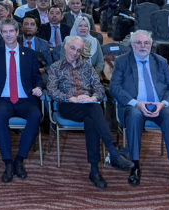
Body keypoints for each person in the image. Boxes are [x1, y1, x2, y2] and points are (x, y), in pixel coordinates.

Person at [47, 36, 133, 188]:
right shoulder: (55, 67)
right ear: (66, 46)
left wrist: (92, 96)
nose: (74, 52)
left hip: (87, 105)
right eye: (72, 48)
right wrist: (71, 98)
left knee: (92, 117)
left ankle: (95, 171)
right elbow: (52, 91)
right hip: (68, 106)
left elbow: (99, 88)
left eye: (78, 50)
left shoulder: (87, 67)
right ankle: (113, 150)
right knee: (94, 109)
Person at [110, 30, 169, 186]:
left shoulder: (161, 61)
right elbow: (114, 88)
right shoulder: (122, 61)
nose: (142, 46)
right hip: (135, 105)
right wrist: (136, 103)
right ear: (132, 44)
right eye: (138, 42)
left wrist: (163, 103)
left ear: (151, 45)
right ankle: (135, 165)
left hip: (160, 106)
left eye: (146, 43)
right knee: (134, 116)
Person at [0, 20, 44, 183]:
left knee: (36, 116)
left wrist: (38, 87)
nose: (8, 35)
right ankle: (8, 162)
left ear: (17, 33)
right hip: (3, 99)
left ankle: (20, 160)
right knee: (0, 115)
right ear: (1, 34)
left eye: (11, 31)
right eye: (5, 32)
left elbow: (37, 78)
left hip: (25, 99)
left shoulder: (29, 54)